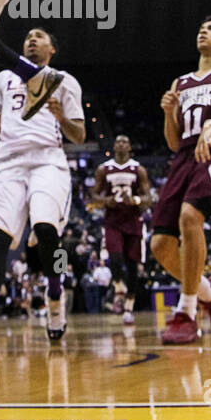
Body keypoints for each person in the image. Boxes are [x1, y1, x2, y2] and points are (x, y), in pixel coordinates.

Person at [0, 29, 84, 350]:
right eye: (27, 36)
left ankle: (55, 293)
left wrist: (61, 117)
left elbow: (80, 135)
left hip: (48, 161)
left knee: (47, 233)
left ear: (52, 48)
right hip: (8, 162)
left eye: (40, 36)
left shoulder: (63, 80)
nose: (31, 39)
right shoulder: (4, 77)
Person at [149, 16, 211, 345]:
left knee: (191, 216)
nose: (202, 31)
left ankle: (186, 312)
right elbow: (174, 142)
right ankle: (210, 292)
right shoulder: (180, 82)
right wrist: (167, 114)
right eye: (200, 28)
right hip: (184, 157)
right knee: (160, 245)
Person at [89, 135, 151, 324]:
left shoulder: (138, 169)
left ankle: (129, 308)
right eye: (118, 141)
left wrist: (136, 200)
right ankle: (118, 288)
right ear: (114, 146)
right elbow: (94, 194)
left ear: (130, 146)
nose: (122, 144)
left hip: (133, 219)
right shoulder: (104, 169)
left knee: (132, 265)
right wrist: (104, 201)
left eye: (125, 141)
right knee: (114, 257)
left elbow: (148, 197)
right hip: (113, 220)